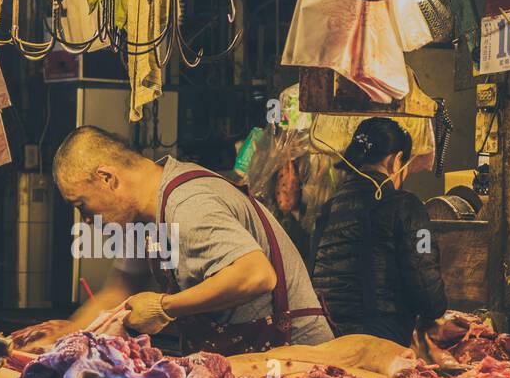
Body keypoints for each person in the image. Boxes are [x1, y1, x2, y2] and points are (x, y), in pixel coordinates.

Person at [19, 125, 332, 353]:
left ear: (107, 178)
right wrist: (66, 337)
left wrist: (165, 307)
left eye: (82, 205)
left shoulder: (186, 203)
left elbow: (256, 275)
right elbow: (122, 286)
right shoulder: (144, 217)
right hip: (247, 358)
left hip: (299, 360)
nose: (86, 220)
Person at [309, 116, 447, 347]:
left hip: (327, 338)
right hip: (380, 340)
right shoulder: (406, 205)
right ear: (396, 160)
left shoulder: (329, 208)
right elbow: (424, 280)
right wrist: (437, 309)